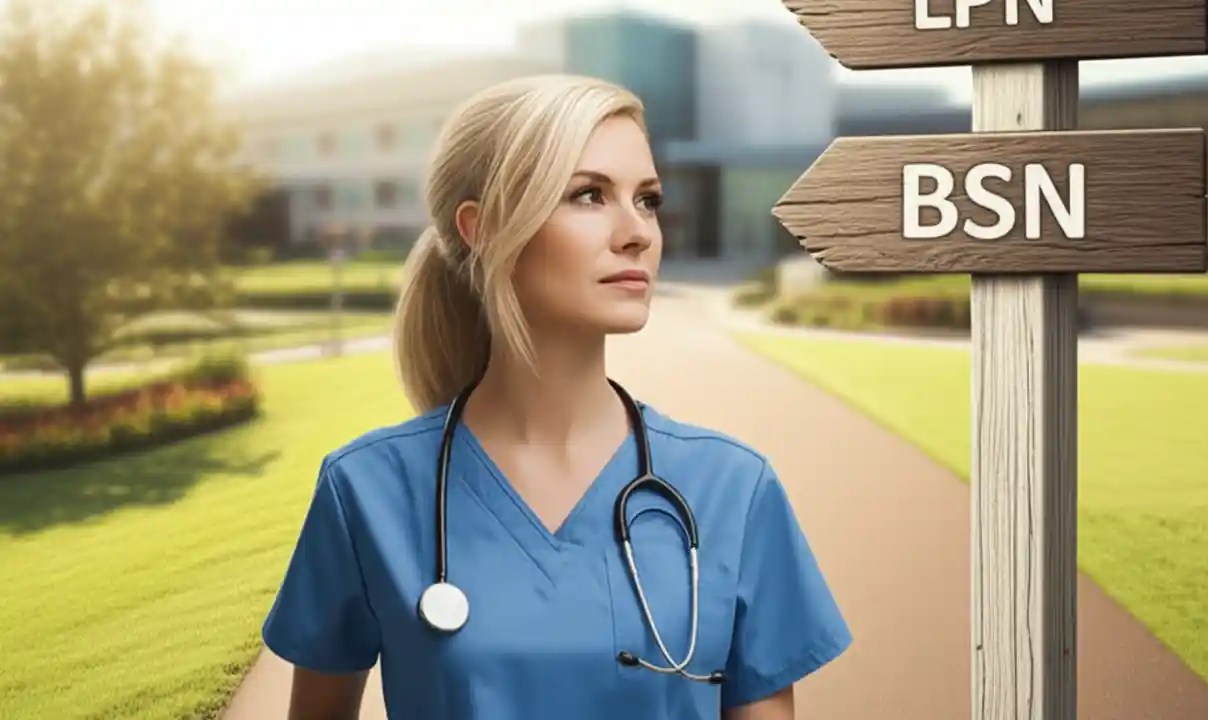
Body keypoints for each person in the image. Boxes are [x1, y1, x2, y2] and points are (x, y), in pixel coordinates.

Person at [261, 73, 852, 720]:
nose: (638, 233)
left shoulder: (734, 490)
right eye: (589, 195)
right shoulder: (366, 492)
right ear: (481, 229)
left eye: (648, 199)